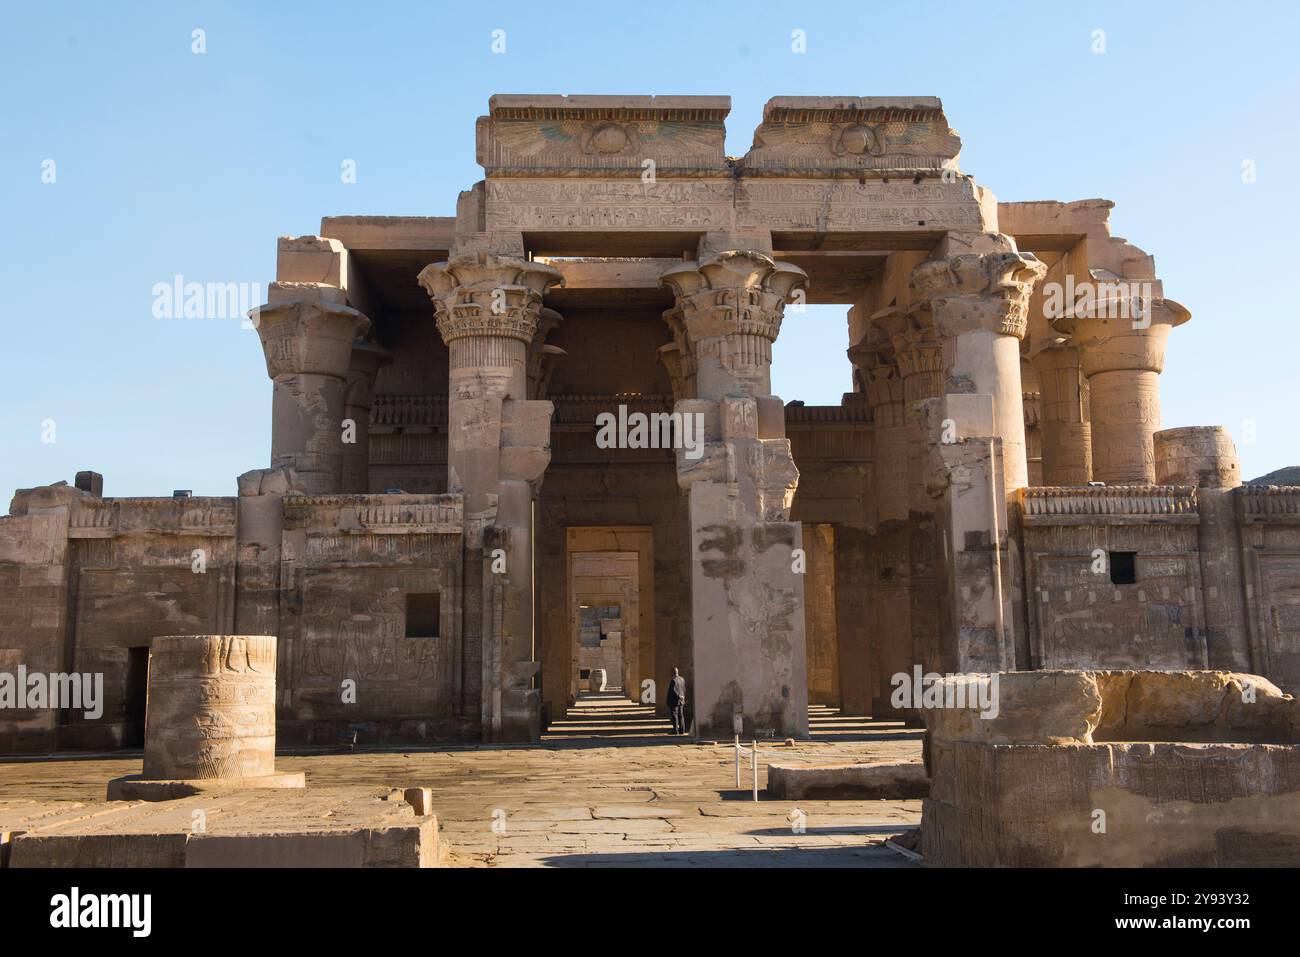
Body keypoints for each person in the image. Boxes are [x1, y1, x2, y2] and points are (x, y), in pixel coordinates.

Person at [667, 667, 688, 735]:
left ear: (673, 672)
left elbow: (673, 691)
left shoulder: (673, 680)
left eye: (670, 672)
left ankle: (675, 730)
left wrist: (679, 696)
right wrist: (683, 697)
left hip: (674, 701)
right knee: (681, 715)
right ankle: (682, 730)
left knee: (674, 715)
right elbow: (684, 689)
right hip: (681, 700)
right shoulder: (682, 679)